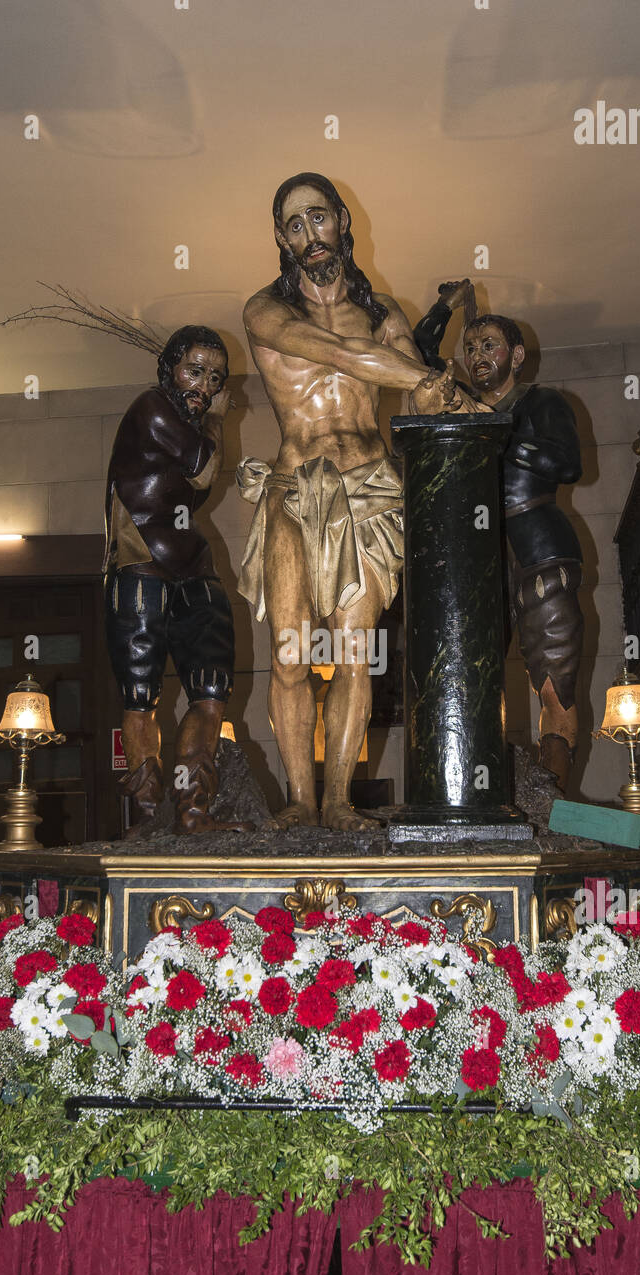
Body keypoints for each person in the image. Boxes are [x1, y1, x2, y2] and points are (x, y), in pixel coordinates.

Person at [239, 173, 459, 830]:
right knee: (289, 652)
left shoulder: (385, 312)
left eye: (317, 218)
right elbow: (339, 353)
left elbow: (416, 402)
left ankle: (336, 800)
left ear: (341, 221)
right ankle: (298, 799)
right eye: (294, 225)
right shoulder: (264, 311)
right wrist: (423, 375)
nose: (309, 235)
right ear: (282, 238)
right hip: (295, 489)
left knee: (354, 651)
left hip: (368, 488)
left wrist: (437, 394)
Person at [414, 288, 584, 788]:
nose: (477, 356)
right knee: (471, 682)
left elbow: (568, 464)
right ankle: (476, 790)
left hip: (539, 548)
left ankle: (551, 800)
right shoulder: (461, 405)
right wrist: (447, 305)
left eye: (489, 345)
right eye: (471, 348)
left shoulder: (543, 401)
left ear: (516, 355)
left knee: (555, 681)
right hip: (477, 557)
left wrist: (496, 428)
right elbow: (419, 350)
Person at [103, 325, 247, 835]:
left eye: (214, 378)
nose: (204, 385)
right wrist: (216, 417)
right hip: (141, 564)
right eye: (195, 370)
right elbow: (205, 468)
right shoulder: (152, 406)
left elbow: (195, 492)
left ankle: (192, 811)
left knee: (211, 690)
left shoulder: (185, 421)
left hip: (193, 567)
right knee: (141, 695)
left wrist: (211, 420)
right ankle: (148, 816)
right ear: (170, 367)